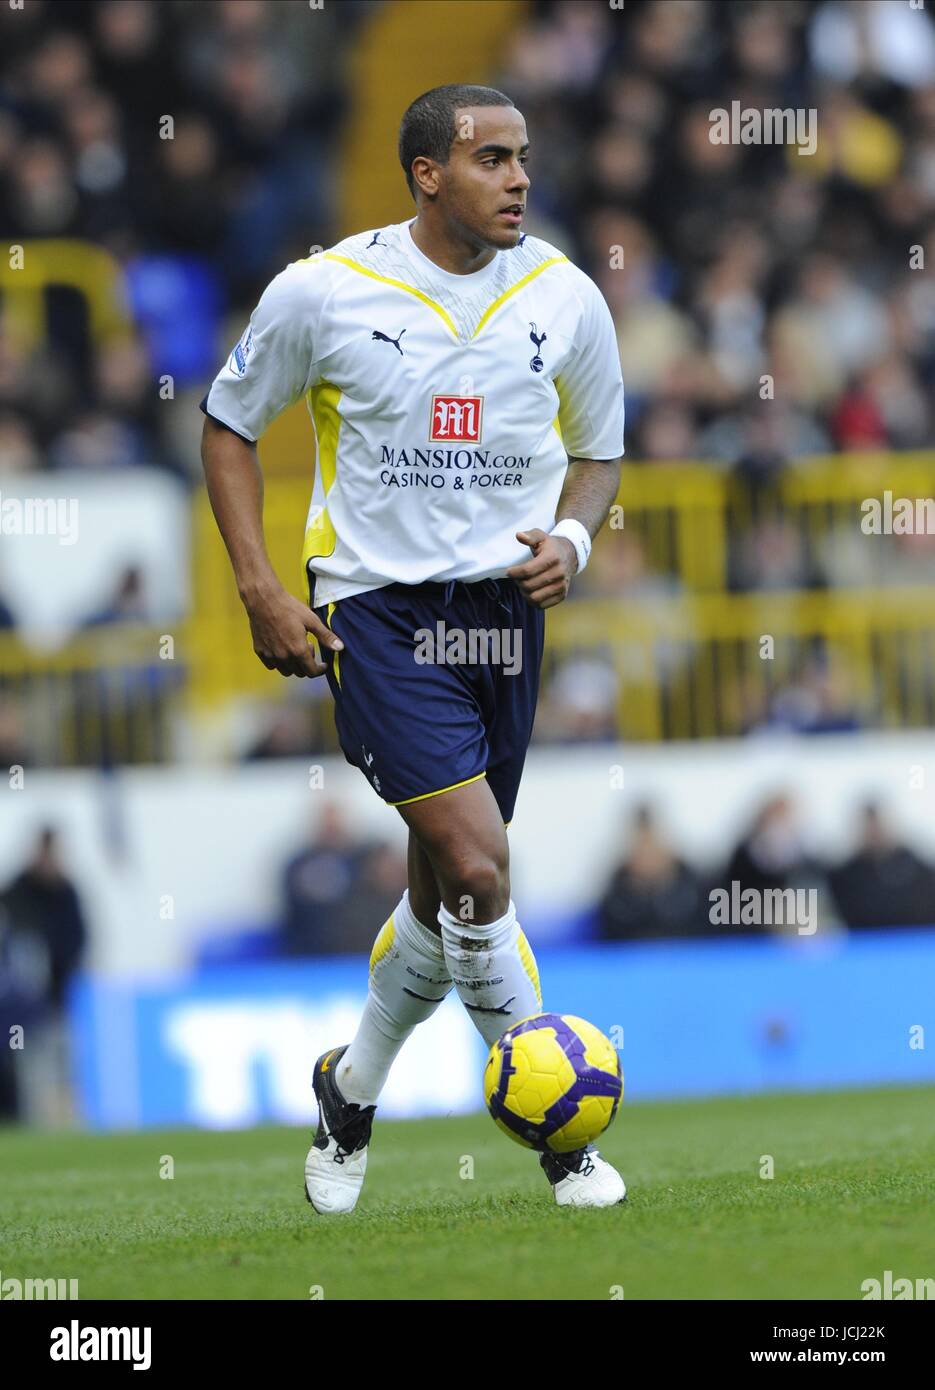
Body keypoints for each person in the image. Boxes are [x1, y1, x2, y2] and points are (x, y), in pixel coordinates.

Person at [200, 84, 625, 1212]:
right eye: (491, 158)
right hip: (379, 614)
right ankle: (559, 1140)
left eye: (524, 156)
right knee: (482, 862)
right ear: (426, 172)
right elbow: (229, 423)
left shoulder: (565, 295)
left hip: (503, 617)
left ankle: (350, 1087)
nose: (519, 178)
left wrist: (573, 540)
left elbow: (602, 449)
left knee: (444, 900)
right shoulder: (323, 290)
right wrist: (256, 587)